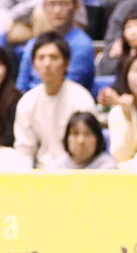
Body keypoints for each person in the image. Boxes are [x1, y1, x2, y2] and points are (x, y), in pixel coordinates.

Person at [13, 33, 97, 168]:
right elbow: (25, 150)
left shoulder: (81, 98)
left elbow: (88, 147)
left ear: (66, 64)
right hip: (40, 175)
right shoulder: (27, 101)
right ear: (33, 66)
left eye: (54, 57)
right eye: (41, 58)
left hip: (76, 171)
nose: (47, 64)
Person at [15, 0, 95, 94]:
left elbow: (70, 88)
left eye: (63, 4)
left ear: (76, 6)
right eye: (52, 4)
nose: (57, 10)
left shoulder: (82, 44)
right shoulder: (33, 43)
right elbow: (21, 86)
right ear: (44, 7)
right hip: (31, 103)